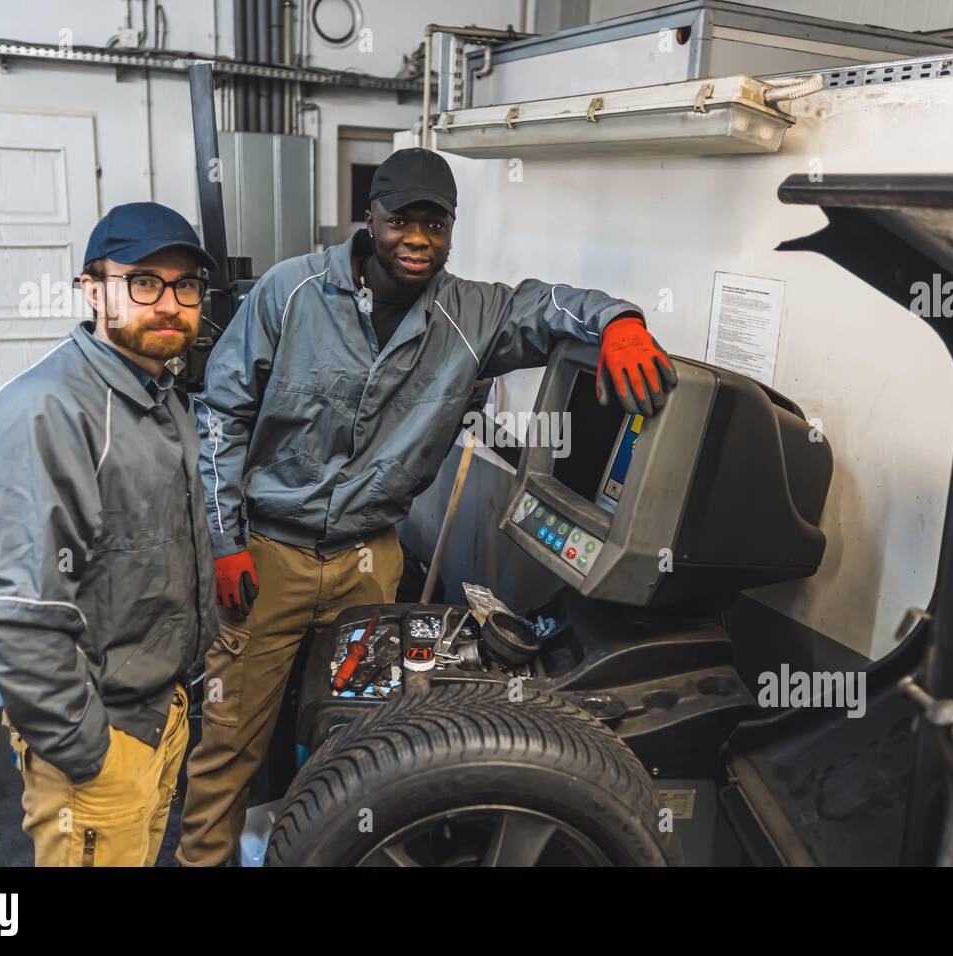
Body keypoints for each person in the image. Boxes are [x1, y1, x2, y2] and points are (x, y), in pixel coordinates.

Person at [178, 147, 677, 866]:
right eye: (402, 220)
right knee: (232, 737)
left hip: (368, 560)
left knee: (371, 738)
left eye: (435, 223)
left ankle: (337, 845)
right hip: (268, 556)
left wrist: (619, 323)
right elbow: (222, 415)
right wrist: (225, 541)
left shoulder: (472, 313)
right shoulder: (289, 293)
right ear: (370, 218)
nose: (417, 239)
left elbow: (550, 305)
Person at [0, 202, 218, 866]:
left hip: (161, 710)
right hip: (102, 736)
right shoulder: (46, 411)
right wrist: (91, 752)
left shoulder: (159, 396)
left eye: (186, 285)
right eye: (143, 281)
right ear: (93, 289)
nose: (169, 303)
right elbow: (17, 620)